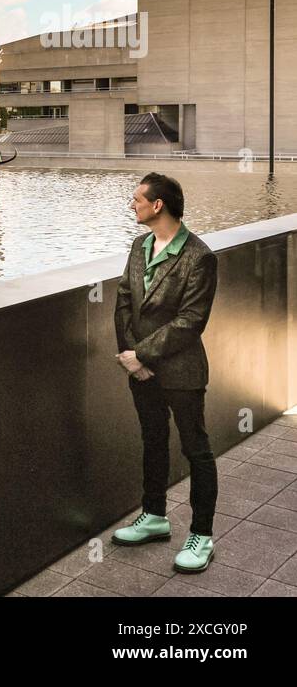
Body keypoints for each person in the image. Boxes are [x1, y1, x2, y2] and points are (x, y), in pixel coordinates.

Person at [111, 172, 219, 573]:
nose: (132, 204)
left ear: (159, 205)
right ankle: (154, 516)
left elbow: (191, 321)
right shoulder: (139, 246)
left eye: (137, 198)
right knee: (153, 440)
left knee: (197, 451)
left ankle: (201, 537)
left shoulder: (200, 256)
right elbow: (124, 299)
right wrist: (128, 353)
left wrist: (141, 354)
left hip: (181, 371)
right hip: (141, 369)